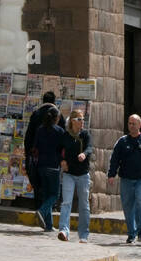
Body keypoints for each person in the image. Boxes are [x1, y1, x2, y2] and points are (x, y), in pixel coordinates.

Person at [108, 114, 141, 244]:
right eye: (129, 123)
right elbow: (115, 159)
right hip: (126, 179)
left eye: (134, 123)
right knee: (127, 206)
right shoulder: (122, 142)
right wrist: (111, 174)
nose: (131, 126)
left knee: (140, 202)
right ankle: (131, 233)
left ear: (140, 125)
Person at [57, 110, 93, 243]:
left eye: (83, 119)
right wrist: (62, 161)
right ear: (72, 121)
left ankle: (83, 234)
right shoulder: (65, 135)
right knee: (66, 202)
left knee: (84, 204)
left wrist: (84, 154)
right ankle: (64, 230)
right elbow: (58, 151)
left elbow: (89, 147)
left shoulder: (85, 135)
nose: (82, 122)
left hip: (83, 174)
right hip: (69, 174)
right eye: (79, 119)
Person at [24, 91, 65, 196]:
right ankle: (47, 209)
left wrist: (28, 155)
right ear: (54, 101)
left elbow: (28, 137)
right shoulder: (58, 116)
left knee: (38, 185)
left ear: (43, 100)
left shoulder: (36, 114)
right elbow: (64, 140)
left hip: (38, 159)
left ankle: (39, 209)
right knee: (52, 190)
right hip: (54, 161)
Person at [32, 104, 65, 232]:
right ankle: (42, 210)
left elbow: (35, 147)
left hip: (41, 165)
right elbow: (62, 149)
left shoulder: (40, 129)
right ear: (56, 118)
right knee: (55, 195)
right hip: (53, 166)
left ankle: (49, 225)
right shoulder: (59, 131)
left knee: (46, 195)